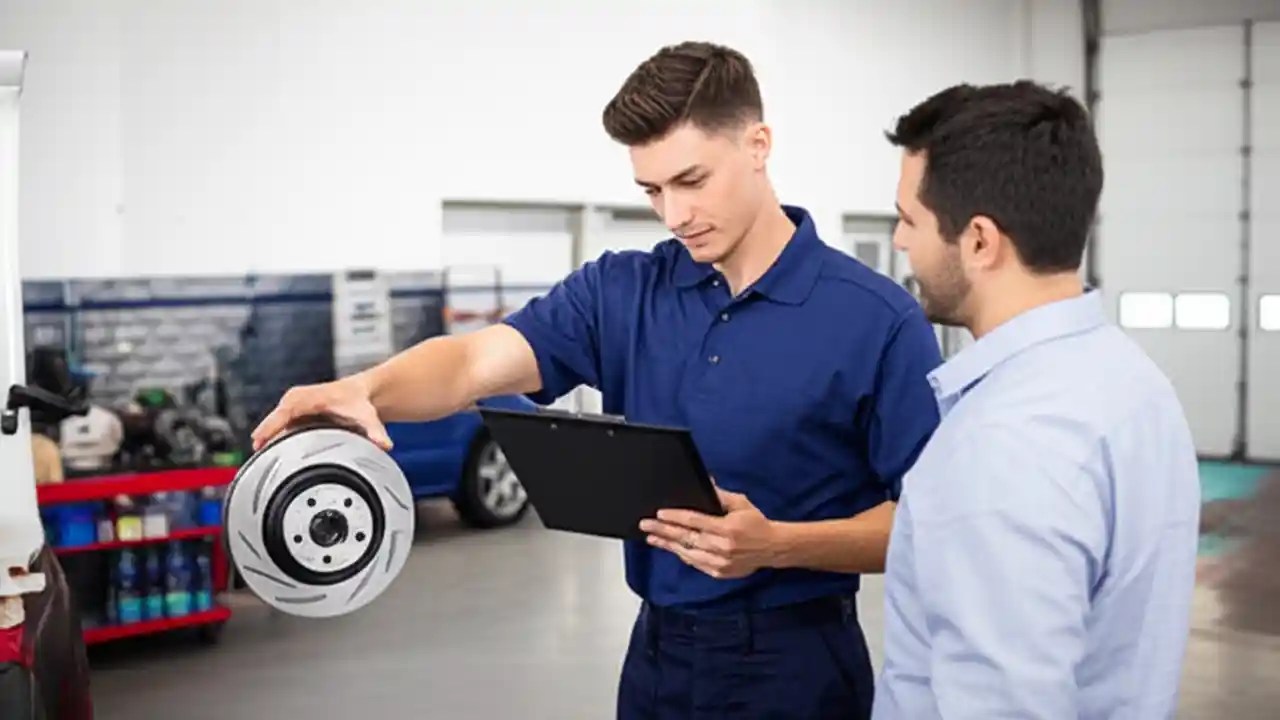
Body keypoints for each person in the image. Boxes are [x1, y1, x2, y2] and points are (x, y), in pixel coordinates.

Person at [253, 41, 941, 719]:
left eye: (692, 181)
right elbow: (469, 364)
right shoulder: (621, 290)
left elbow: (929, 527)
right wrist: (366, 389)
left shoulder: (876, 319)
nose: (674, 216)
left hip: (799, 665)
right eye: (653, 191)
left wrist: (780, 544)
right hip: (657, 657)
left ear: (758, 145)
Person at [872, 80, 1201, 719]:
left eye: (910, 219)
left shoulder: (1005, 439)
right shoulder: (1133, 384)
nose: (901, 242)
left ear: (979, 241)